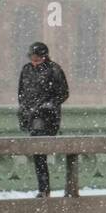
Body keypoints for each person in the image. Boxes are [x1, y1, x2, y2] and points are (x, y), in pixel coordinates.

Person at [17, 42, 69, 197]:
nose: (34, 60)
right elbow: (21, 92)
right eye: (32, 57)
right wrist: (24, 109)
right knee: (37, 153)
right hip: (31, 116)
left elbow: (63, 93)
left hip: (47, 117)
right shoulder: (26, 69)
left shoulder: (54, 69)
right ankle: (44, 189)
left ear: (44, 57)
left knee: (39, 152)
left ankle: (44, 189)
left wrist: (49, 105)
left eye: (37, 57)